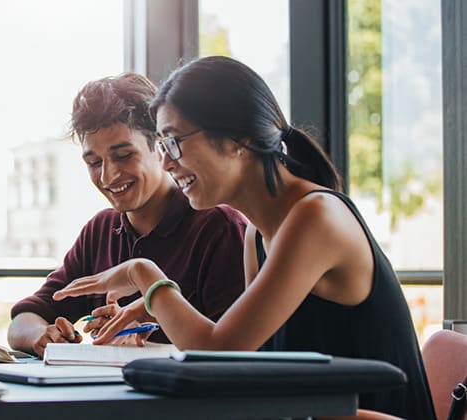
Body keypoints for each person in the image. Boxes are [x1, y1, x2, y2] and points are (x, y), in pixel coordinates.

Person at [53, 56, 433, 418]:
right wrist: (155, 309)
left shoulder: (315, 217)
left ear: (237, 139)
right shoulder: (258, 234)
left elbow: (218, 351)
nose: (167, 162)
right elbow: (243, 363)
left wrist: (145, 276)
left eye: (174, 142)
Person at [7, 72, 247, 358]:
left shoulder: (219, 228)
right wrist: (41, 336)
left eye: (123, 156)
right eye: (94, 162)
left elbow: (232, 352)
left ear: (160, 147)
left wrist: (147, 336)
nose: (108, 176)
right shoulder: (101, 230)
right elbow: (24, 319)